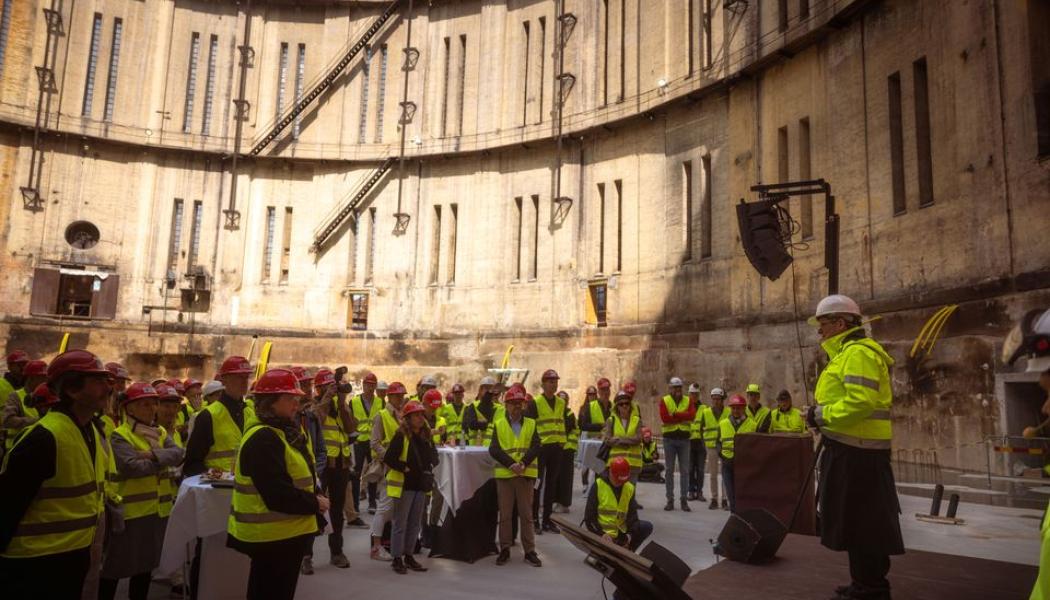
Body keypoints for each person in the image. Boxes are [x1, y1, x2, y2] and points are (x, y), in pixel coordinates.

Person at [805, 294, 902, 600]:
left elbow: (860, 402)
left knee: (863, 522)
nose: (820, 331)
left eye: (823, 324)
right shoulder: (848, 354)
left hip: (859, 453)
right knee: (857, 520)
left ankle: (872, 587)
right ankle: (863, 582)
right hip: (851, 448)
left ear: (841, 323)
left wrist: (820, 415)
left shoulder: (857, 354)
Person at [0, 350, 111, 598]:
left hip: (72, 557)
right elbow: (6, 507)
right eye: (98, 381)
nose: (108, 388)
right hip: (34, 566)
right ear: (72, 390)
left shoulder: (87, 430)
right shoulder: (44, 438)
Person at [227, 369, 327, 600]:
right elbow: (277, 494)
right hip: (272, 538)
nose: (296, 404)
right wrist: (315, 502)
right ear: (271, 402)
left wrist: (315, 492)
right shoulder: (264, 438)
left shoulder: (282, 431)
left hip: (283, 535)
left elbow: (299, 473)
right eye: (290, 398)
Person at [100, 382, 184, 600]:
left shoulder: (161, 431)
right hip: (130, 513)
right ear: (129, 409)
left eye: (153, 404)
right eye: (145, 404)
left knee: (145, 567)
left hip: (157, 511)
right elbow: (132, 467)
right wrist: (162, 457)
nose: (152, 409)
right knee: (114, 567)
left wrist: (151, 455)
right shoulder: (120, 435)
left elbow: (179, 453)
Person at [303, 369, 354, 573]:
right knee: (313, 509)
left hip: (341, 464)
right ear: (319, 388)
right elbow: (317, 420)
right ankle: (306, 555)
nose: (331, 389)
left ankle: (337, 552)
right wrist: (327, 397)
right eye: (326, 386)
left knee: (337, 510)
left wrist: (341, 403)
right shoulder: (311, 405)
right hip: (321, 466)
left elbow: (351, 429)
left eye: (331, 386)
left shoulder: (340, 407)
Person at [489, 386, 542, 567]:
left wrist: (523, 463)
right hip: (506, 475)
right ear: (506, 405)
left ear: (524, 405)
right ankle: (505, 549)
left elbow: (536, 445)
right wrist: (511, 464)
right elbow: (493, 449)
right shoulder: (499, 424)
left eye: (519, 403)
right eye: (512, 403)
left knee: (526, 515)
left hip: (525, 474)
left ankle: (530, 551)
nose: (516, 407)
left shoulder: (531, 423)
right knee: (505, 515)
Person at [383, 400, 438, 574]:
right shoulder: (401, 435)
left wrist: (432, 462)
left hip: (420, 486)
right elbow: (389, 458)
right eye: (416, 415)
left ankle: (408, 555)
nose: (420, 418)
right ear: (407, 418)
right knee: (400, 523)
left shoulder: (426, 435)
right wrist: (404, 468)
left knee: (414, 524)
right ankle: (397, 558)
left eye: (421, 414)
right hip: (404, 486)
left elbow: (434, 454)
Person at [183, 355, 253, 476]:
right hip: (215, 489)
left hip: (245, 488)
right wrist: (211, 474)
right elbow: (192, 464)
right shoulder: (208, 416)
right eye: (238, 377)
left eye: (246, 377)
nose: (244, 382)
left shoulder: (250, 414)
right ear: (224, 380)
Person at [525, 369, 570, 533]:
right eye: (551, 381)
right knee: (538, 484)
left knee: (552, 484)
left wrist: (562, 443)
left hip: (556, 449)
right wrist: (536, 445)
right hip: (541, 449)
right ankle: (535, 520)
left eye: (555, 381)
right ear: (543, 384)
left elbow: (562, 423)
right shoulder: (535, 403)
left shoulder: (561, 403)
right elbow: (530, 426)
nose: (554, 384)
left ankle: (547, 520)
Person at [369, 381, 408, 561]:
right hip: (388, 468)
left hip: (400, 468)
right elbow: (375, 443)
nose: (400, 399)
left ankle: (386, 544)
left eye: (402, 395)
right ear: (389, 397)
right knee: (384, 508)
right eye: (397, 395)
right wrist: (390, 458)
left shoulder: (402, 416)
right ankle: (376, 548)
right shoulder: (382, 416)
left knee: (393, 510)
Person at [583, 457, 652, 556]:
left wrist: (629, 537)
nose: (620, 483)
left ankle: (627, 551)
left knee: (646, 526)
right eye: (617, 479)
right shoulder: (599, 485)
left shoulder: (629, 488)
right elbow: (589, 518)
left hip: (620, 535)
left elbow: (633, 517)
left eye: (623, 481)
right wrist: (601, 534)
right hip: (603, 534)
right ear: (610, 472)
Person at [659, 376, 696, 511]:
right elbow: (665, 418)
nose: (678, 390)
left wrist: (675, 414)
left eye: (679, 387)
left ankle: (684, 501)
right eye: (675, 387)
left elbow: (692, 416)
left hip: (684, 440)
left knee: (685, 471)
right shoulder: (665, 400)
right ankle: (670, 500)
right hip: (669, 440)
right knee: (669, 471)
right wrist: (682, 416)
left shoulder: (688, 400)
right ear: (670, 388)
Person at [350, 372, 382, 516]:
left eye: (372, 385)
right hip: (359, 442)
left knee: (373, 472)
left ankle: (372, 503)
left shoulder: (381, 402)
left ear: (375, 386)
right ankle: (356, 505)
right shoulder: (354, 402)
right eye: (367, 385)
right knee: (356, 474)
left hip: (373, 442)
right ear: (363, 385)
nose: (370, 387)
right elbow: (350, 422)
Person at [718, 394, 755, 513]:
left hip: (744, 466)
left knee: (742, 495)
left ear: (744, 408)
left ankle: (739, 517)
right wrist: (722, 456)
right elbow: (717, 442)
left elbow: (756, 445)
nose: (735, 411)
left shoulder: (752, 425)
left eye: (738, 408)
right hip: (727, 465)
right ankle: (734, 516)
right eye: (733, 408)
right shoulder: (723, 424)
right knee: (731, 495)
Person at [3, 359, 48, 452]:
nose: (46, 381)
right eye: (42, 377)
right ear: (31, 378)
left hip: (38, 448)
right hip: (17, 449)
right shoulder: (15, 396)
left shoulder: (47, 397)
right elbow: (8, 420)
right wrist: (36, 422)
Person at [603, 391, 643, 486]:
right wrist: (630, 440)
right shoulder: (611, 421)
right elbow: (607, 440)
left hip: (633, 464)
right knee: (617, 492)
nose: (624, 406)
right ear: (617, 406)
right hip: (616, 464)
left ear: (630, 405)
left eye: (627, 403)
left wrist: (619, 439)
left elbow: (638, 439)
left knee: (630, 493)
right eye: (621, 404)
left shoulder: (637, 420)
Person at [578, 380, 611, 489]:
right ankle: (590, 490)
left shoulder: (613, 406)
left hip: (608, 445)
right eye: (603, 390)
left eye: (607, 389)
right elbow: (583, 426)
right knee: (596, 473)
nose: (606, 392)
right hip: (594, 444)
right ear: (599, 392)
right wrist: (600, 426)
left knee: (606, 474)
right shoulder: (591, 406)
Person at [700, 388, 730, 509]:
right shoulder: (706, 412)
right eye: (714, 399)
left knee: (725, 473)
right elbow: (701, 429)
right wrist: (704, 444)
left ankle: (724, 499)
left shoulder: (728, 412)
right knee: (712, 474)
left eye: (718, 399)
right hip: (711, 446)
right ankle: (714, 498)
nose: (716, 401)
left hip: (724, 446)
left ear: (722, 400)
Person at [462, 376, 503, 445]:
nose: (489, 391)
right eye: (486, 388)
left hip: (493, 449)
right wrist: (488, 424)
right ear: (480, 390)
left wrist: (482, 424)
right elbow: (471, 425)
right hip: (475, 449)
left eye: (491, 388)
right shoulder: (472, 406)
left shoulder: (500, 409)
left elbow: (502, 428)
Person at [557, 390, 579, 512]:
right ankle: (556, 501)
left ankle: (564, 504)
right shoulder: (556, 413)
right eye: (560, 400)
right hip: (557, 449)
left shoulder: (569, 414)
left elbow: (565, 429)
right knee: (556, 477)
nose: (562, 402)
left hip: (567, 449)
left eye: (564, 400)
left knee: (566, 478)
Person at [686, 383, 707, 502]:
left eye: (696, 394)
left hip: (700, 442)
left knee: (700, 469)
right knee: (690, 469)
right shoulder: (685, 407)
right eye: (692, 394)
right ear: (689, 394)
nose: (694, 396)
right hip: (688, 442)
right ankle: (691, 491)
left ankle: (699, 492)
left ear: (699, 395)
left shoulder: (704, 408)